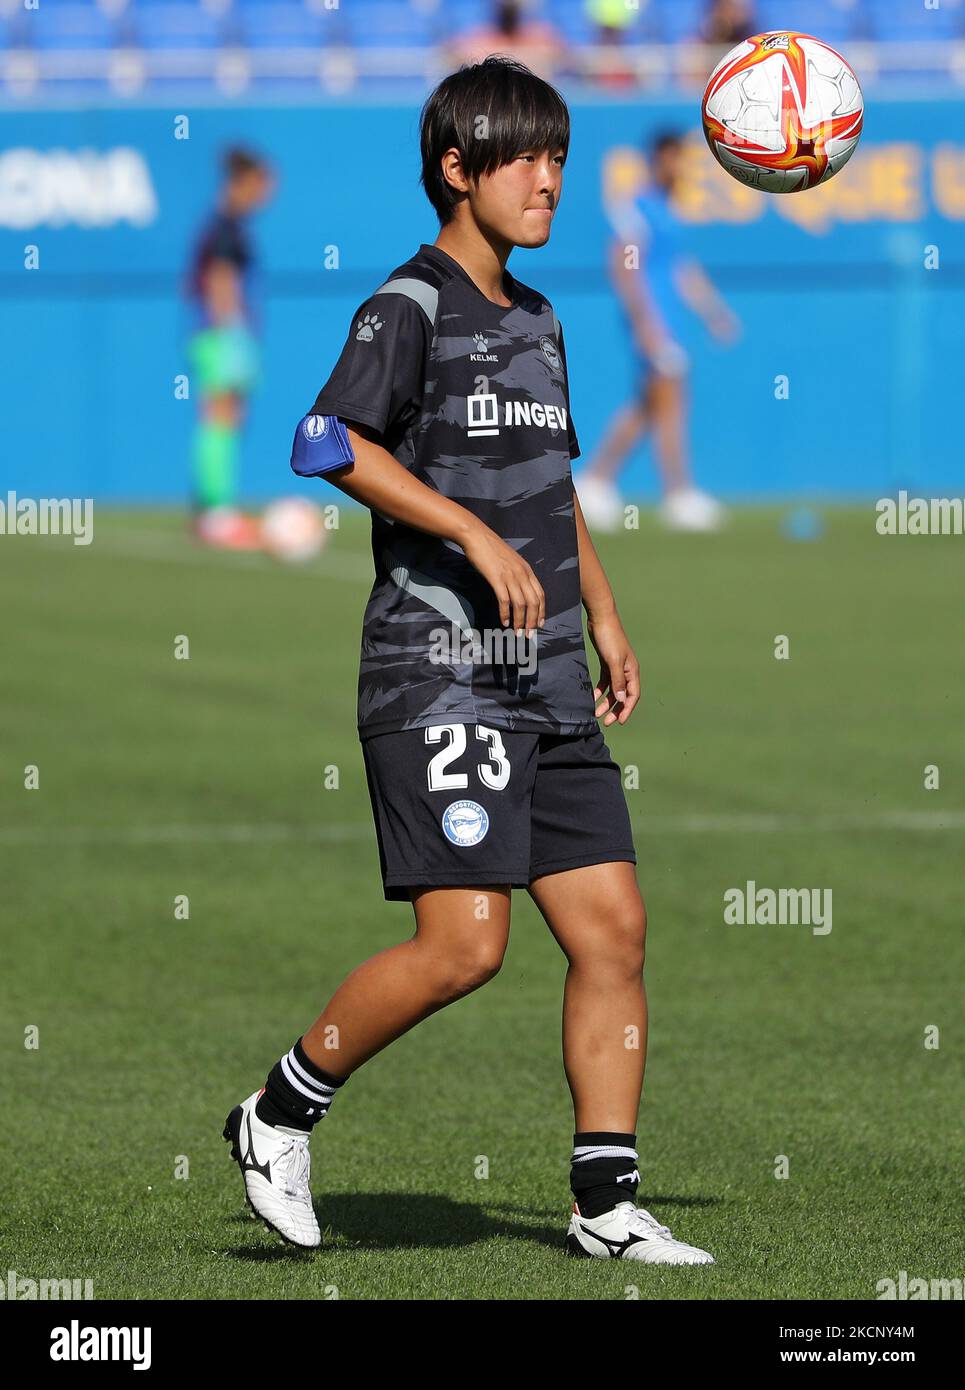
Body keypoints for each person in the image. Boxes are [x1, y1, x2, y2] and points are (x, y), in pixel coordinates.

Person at [223, 56, 713, 1266]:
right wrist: (470, 532)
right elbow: (322, 438)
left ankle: (603, 1202)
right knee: (466, 947)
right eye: (524, 158)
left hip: (545, 670)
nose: (550, 180)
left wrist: (601, 614)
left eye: (558, 156)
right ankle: (277, 1113)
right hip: (436, 668)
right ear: (457, 169)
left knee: (611, 932)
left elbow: (555, 491)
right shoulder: (410, 303)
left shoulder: (540, 320)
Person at [576, 130, 740, 533]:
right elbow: (623, 264)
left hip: (672, 323)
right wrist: (646, 324)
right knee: (670, 402)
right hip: (652, 324)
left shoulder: (671, 211)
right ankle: (678, 495)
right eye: (673, 157)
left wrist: (712, 311)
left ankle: (594, 481)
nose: (679, 166)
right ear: (657, 160)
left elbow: (682, 270)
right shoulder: (636, 208)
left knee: (650, 405)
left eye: (683, 158)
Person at [186, 146, 274, 549]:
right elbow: (220, 280)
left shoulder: (229, 224)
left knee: (224, 416)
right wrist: (233, 331)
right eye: (261, 183)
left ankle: (213, 510)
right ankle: (215, 513)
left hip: (221, 335)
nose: (266, 193)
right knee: (220, 415)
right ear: (243, 182)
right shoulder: (225, 227)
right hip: (222, 335)